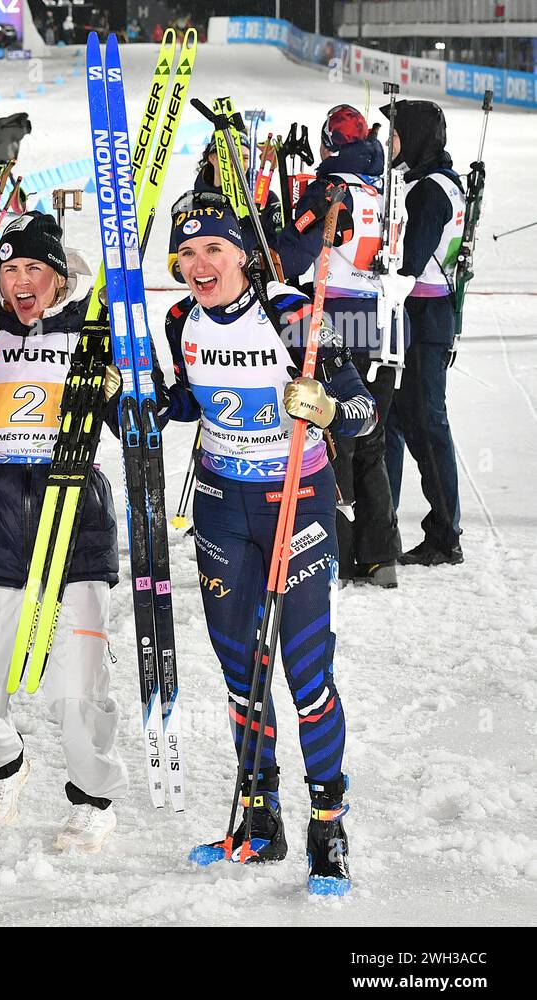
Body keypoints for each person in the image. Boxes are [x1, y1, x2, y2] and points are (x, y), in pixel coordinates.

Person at [159, 203, 373, 894]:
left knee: (307, 676)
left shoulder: (291, 315)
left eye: (215, 250)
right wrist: (133, 397)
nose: (200, 267)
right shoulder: (178, 321)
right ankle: (259, 817)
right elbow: (186, 402)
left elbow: (364, 411)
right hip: (223, 509)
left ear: (245, 255)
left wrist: (329, 408)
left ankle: (328, 826)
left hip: (298, 502)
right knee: (241, 678)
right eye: (188, 255)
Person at [0, 212, 129, 853]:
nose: (19, 281)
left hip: (74, 525)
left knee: (77, 688)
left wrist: (120, 388)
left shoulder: (94, 331)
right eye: (8, 270)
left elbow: (139, 422)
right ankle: (4, 766)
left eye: (33, 268)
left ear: (58, 277)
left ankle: (93, 798)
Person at [276, 104, 400, 587]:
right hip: (386, 319)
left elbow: (290, 256)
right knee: (370, 437)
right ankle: (379, 554)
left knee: (330, 432)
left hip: (337, 316)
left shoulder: (332, 187)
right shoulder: (380, 184)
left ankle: (339, 552)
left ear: (330, 142)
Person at [381, 99, 466, 567]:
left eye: (394, 135)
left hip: (423, 313)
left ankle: (444, 534)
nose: (388, 143)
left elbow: (411, 262)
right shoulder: (439, 181)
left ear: (414, 137)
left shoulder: (429, 191)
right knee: (397, 420)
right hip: (429, 313)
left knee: (425, 424)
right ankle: (385, 522)